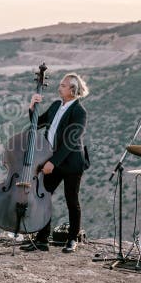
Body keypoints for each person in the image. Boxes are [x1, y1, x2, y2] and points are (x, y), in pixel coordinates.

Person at [22, 73, 90, 254]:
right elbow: (36, 123)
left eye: (63, 85)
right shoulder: (54, 106)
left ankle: (72, 239)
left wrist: (53, 162)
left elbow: (71, 141)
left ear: (73, 90)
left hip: (71, 163)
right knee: (43, 197)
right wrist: (32, 106)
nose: (59, 87)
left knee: (71, 200)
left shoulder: (79, 111)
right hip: (52, 160)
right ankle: (42, 240)